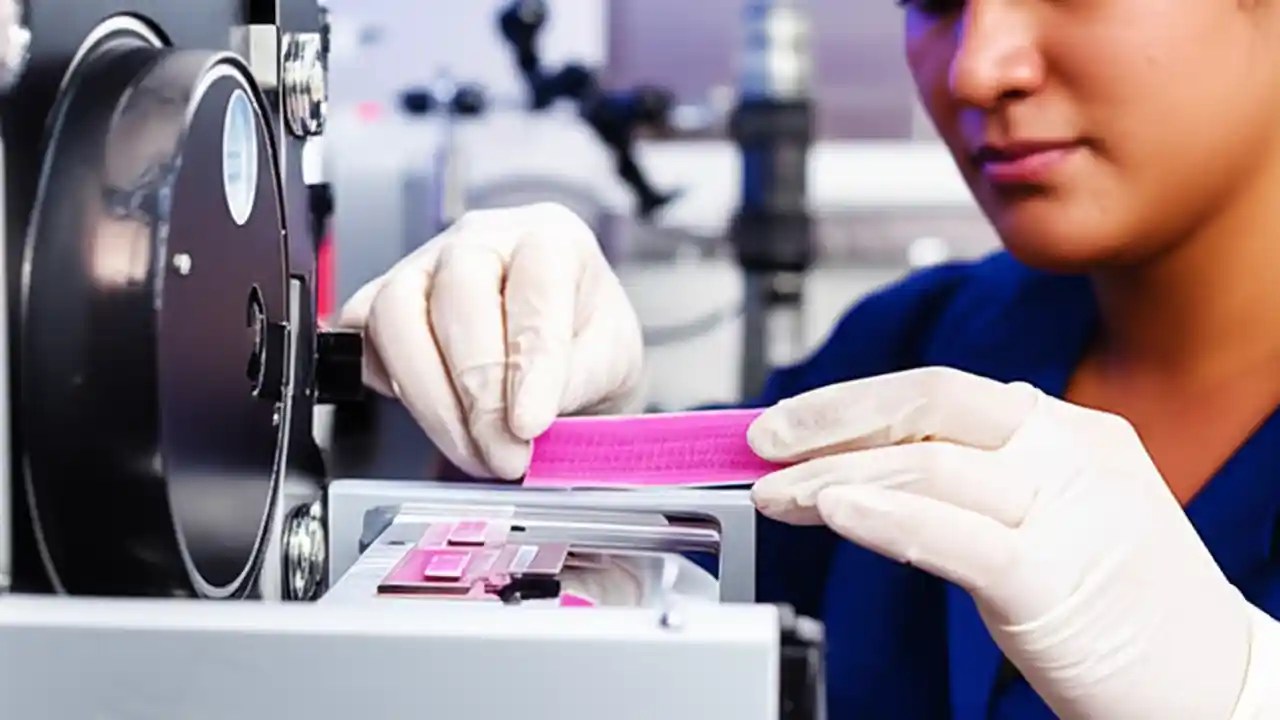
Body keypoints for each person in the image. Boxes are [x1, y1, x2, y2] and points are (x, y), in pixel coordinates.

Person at [336, 0, 1280, 716]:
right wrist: (545, 434)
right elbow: (636, 628)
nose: (977, 67)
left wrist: (1244, 689)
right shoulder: (917, 346)